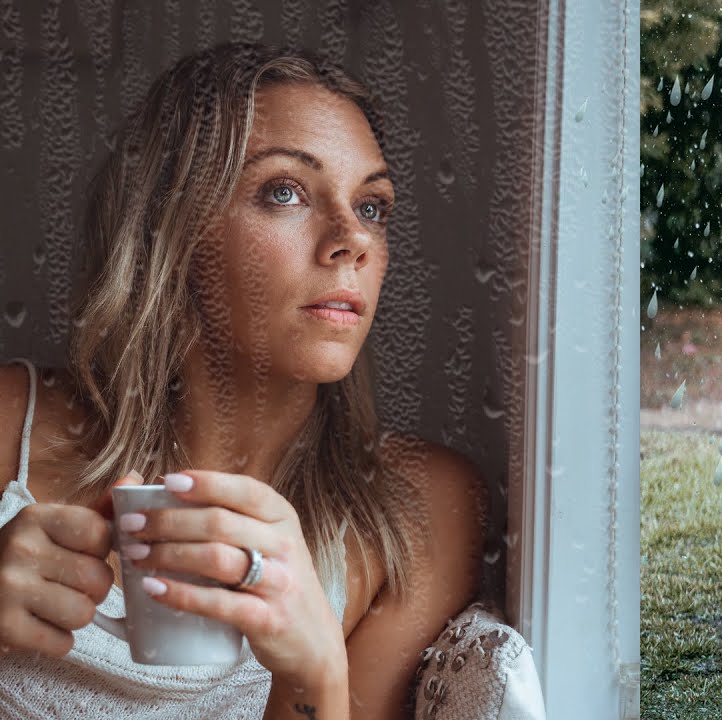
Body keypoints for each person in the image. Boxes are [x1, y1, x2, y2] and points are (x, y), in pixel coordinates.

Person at [0, 42, 486, 719]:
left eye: (372, 206)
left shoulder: (420, 512)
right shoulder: (8, 426)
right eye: (285, 192)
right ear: (172, 231)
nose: (353, 238)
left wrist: (316, 675)